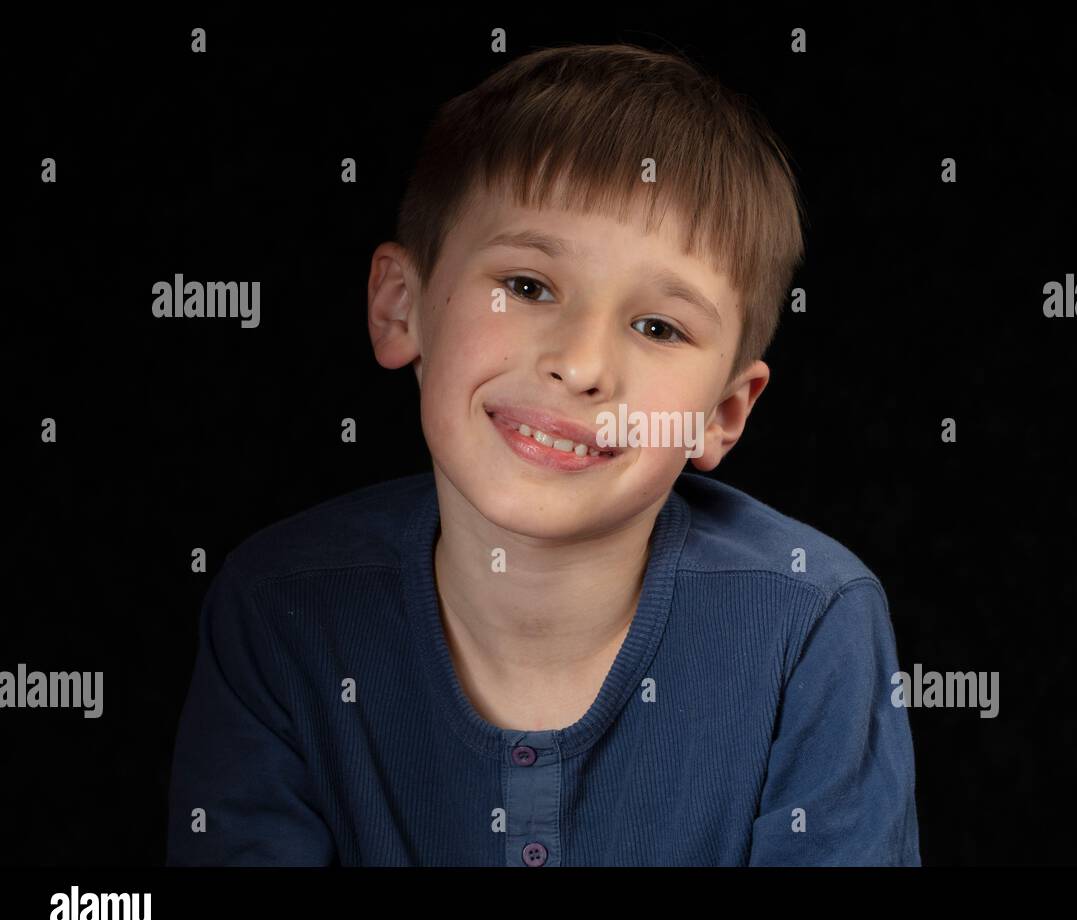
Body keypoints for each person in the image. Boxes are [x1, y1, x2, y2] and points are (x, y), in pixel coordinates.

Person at [166, 42, 921, 866]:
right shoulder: (281, 608)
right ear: (400, 308)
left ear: (724, 413)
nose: (583, 365)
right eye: (527, 287)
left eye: (659, 327)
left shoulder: (809, 625)